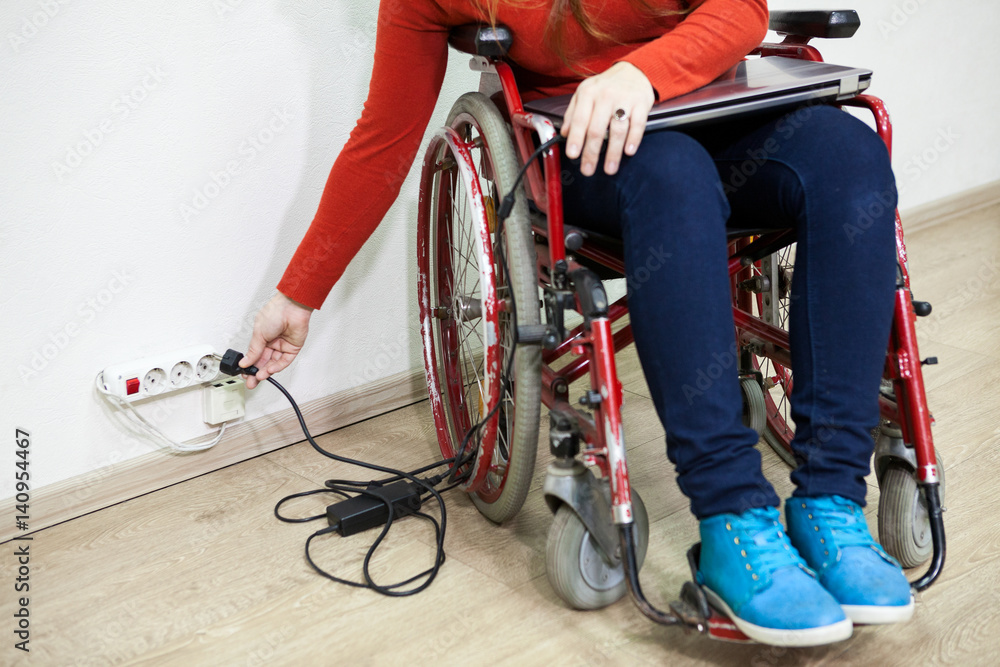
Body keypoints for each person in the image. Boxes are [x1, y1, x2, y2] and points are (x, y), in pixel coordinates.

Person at [240, 0, 912, 646]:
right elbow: (383, 142)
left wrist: (639, 73)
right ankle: (735, 517)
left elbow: (739, 8)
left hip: (719, 107)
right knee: (674, 176)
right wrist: (299, 295)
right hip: (603, 151)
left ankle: (832, 502)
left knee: (852, 158)